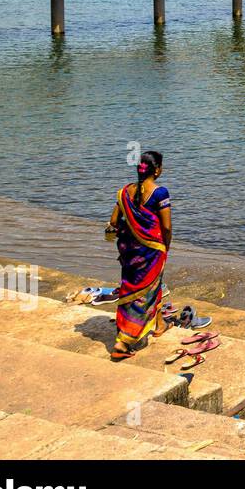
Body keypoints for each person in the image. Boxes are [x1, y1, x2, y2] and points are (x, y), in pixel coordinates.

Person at [105, 151, 171, 360]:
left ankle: (159, 324)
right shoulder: (160, 193)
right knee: (145, 291)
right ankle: (124, 341)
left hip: (129, 250)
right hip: (151, 250)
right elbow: (166, 227)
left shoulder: (125, 191)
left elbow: (114, 221)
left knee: (141, 287)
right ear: (157, 170)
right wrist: (166, 246)